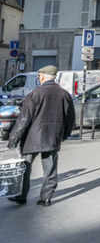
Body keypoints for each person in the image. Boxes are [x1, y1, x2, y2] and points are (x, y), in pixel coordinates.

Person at [7, 65, 76, 206]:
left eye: (39, 76)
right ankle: (46, 198)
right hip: (53, 137)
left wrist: (13, 139)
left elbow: (24, 119)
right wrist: (65, 135)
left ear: (43, 76)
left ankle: (21, 196)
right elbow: (71, 118)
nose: (39, 78)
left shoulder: (35, 93)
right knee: (50, 169)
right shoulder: (64, 94)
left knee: (25, 167)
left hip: (32, 138)